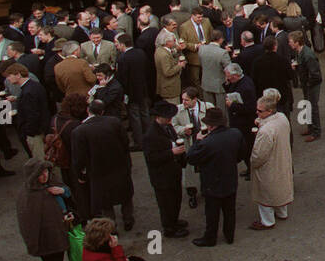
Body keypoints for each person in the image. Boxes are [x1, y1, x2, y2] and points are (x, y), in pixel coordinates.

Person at [15, 158, 79, 261]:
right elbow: (30, 224)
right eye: (41, 173)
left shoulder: (50, 184)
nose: (45, 175)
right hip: (46, 241)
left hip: (58, 234)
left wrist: (62, 192)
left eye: (46, 172)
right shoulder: (30, 197)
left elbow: (66, 193)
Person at [72, 100, 135, 230]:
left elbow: (79, 158)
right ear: (102, 111)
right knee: (125, 196)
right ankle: (128, 219)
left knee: (105, 203)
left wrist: (80, 175)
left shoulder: (79, 131)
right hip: (119, 167)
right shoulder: (115, 122)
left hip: (98, 172)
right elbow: (125, 142)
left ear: (88, 111)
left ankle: (111, 227)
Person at [187, 106, 243, 246]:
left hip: (212, 183)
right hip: (230, 179)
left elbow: (191, 158)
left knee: (212, 213)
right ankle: (229, 236)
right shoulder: (235, 134)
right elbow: (241, 154)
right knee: (230, 211)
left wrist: (197, 140)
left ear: (210, 126)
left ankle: (210, 238)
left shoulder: (207, 143)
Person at [141, 100, 190, 238]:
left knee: (176, 198)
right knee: (166, 203)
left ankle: (174, 220)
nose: (170, 119)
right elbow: (151, 158)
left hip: (173, 170)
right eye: (167, 117)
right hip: (162, 176)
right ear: (158, 117)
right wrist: (172, 153)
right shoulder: (150, 135)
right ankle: (169, 228)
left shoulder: (167, 127)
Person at [249, 91, 294, 230]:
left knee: (266, 194)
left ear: (269, 111)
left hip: (269, 166)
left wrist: (252, 163)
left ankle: (267, 221)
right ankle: (282, 213)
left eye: (259, 111)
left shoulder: (265, 131)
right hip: (283, 160)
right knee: (280, 189)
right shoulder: (282, 117)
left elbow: (258, 156)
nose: (257, 113)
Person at [288, 31, 322, 141]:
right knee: (308, 105)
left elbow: (315, 75)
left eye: (291, 42)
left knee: (313, 107)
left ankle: (316, 131)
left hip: (311, 84)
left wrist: (307, 85)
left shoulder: (308, 54)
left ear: (297, 43)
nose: (289, 43)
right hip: (307, 83)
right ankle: (310, 127)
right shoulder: (299, 52)